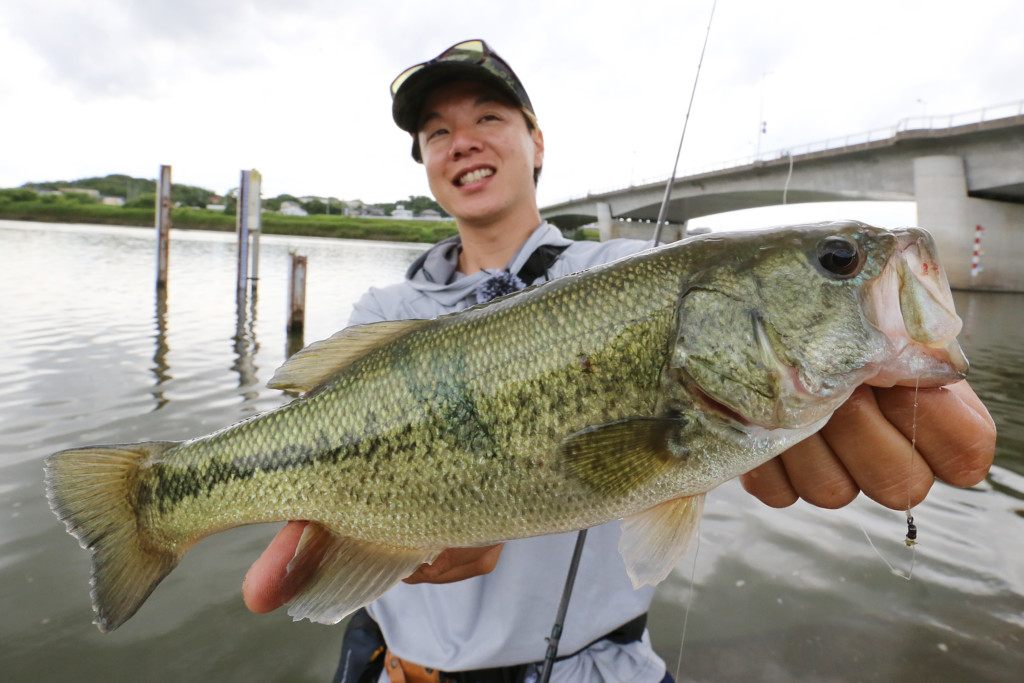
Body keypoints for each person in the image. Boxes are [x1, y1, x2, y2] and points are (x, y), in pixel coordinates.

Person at [243, 40, 996, 682]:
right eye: (437, 132)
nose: (462, 140)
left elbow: (965, 445)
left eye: (488, 118)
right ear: (426, 164)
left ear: (538, 142)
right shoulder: (383, 313)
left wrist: (917, 402)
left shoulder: (631, 270)